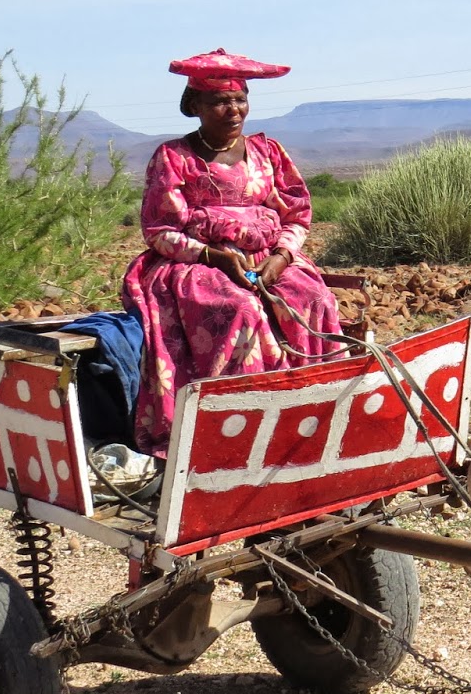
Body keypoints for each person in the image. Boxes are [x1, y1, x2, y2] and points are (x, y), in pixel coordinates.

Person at [121, 48, 342, 457]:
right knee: (241, 310)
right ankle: (235, 432)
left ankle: (313, 417)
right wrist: (215, 257)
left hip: (269, 258)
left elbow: (297, 215)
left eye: (239, 99)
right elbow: (159, 229)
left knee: (314, 298)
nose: (233, 109)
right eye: (219, 101)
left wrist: (282, 256)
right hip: (196, 262)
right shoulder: (174, 157)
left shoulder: (269, 151)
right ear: (195, 106)